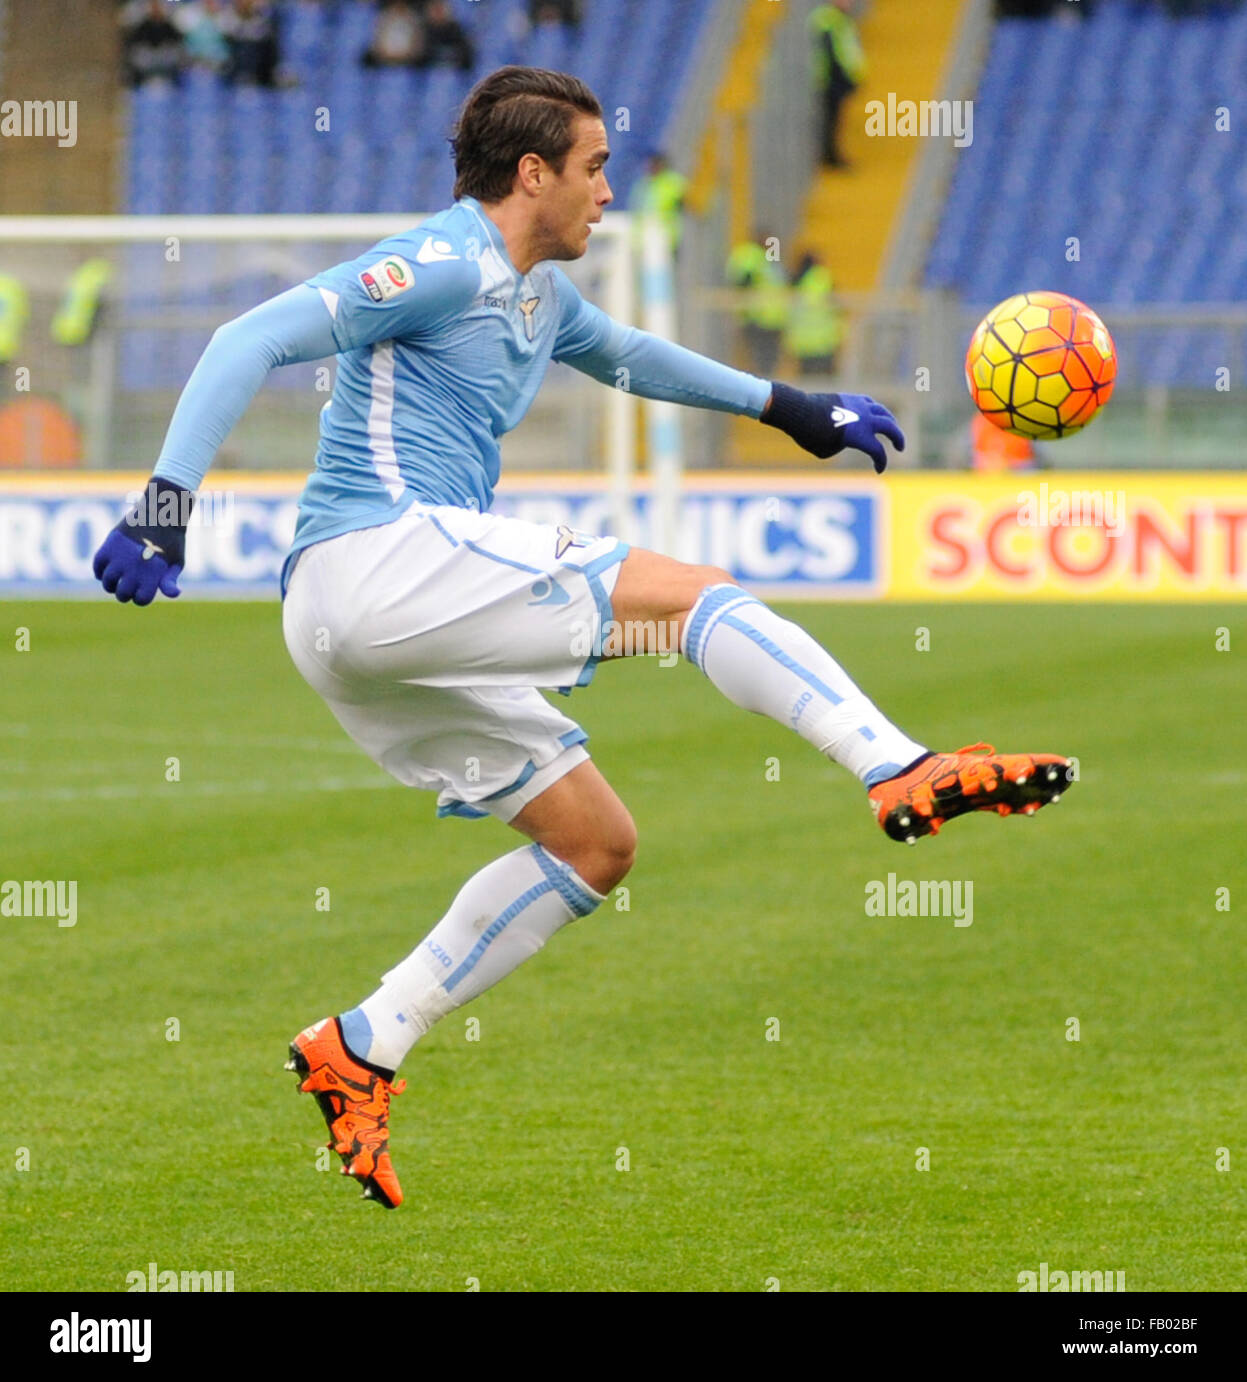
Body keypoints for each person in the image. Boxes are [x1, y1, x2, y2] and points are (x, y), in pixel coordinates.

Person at [92, 67, 1073, 1210]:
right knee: (693, 594)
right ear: (531, 174)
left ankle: (362, 1043)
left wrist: (796, 410)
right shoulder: (443, 260)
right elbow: (247, 336)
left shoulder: (538, 299)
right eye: (595, 167)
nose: (608, 190)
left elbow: (634, 359)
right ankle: (897, 767)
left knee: (593, 842)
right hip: (379, 558)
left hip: (359, 627)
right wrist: (164, 501)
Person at [809, 0, 866, 168]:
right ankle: (830, 156)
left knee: (836, 119)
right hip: (830, 78)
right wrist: (840, 74)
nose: (848, 1)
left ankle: (832, 155)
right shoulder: (828, 18)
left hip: (838, 77)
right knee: (830, 119)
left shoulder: (841, 20)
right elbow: (831, 50)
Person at [725, 229, 790, 374]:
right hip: (758, 316)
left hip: (772, 317)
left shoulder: (768, 259)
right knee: (759, 356)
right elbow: (743, 281)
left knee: (767, 357)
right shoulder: (751, 255)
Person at [784, 251, 843, 378]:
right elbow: (837, 305)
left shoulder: (794, 283)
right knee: (825, 384)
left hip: (801, 342)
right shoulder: (822, 277)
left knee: (807, 383)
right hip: (823, 341)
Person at [626, 151, 687, 255]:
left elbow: (684, 204)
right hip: (643, 236)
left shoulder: (673, 182)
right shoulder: (643, 184)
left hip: (666, 236)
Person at [416, 0, 475, 71]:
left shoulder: (456, 30)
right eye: (435, 10)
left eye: (440, 10)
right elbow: (420, 58)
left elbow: (466, 54)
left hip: (454, 70)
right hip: (431, 72)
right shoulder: (424, 31)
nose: (438, 13)